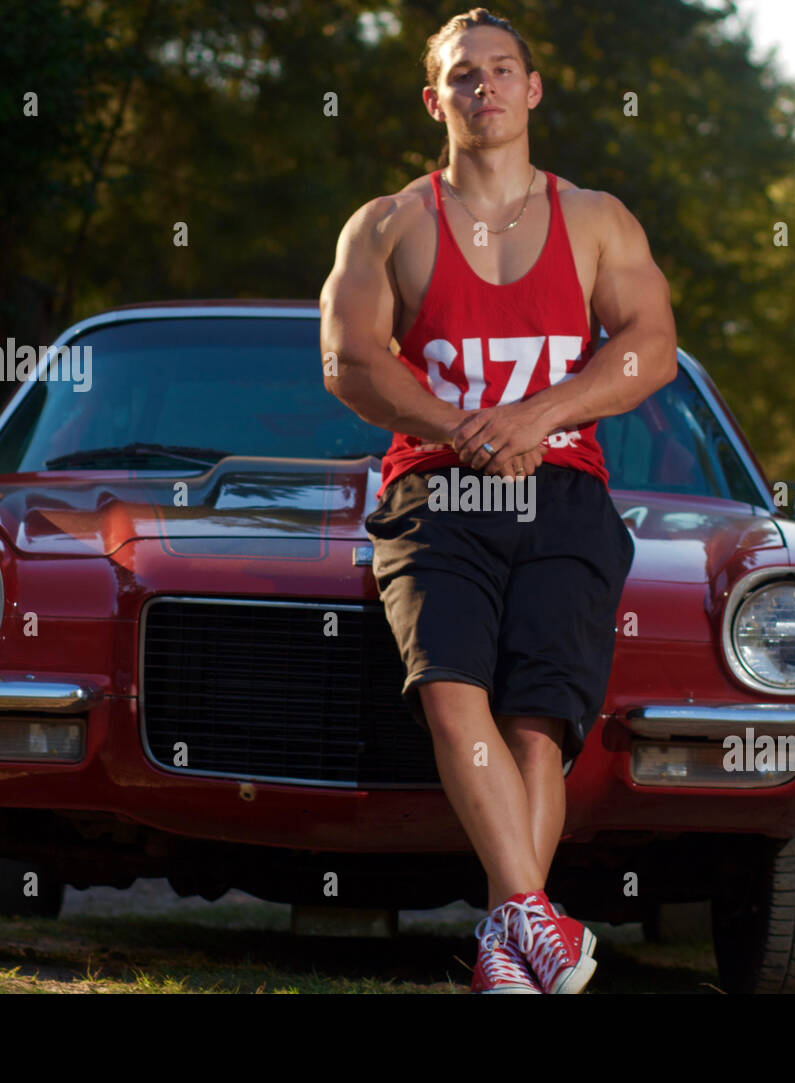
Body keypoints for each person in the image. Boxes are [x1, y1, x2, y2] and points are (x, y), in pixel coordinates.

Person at [319, 7, 676, 993]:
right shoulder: (387, 222)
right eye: (463, 76)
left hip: (564, 494)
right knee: (450, 694)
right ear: (435, 100)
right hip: (433, 493)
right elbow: (347, 360)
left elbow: (649, 345)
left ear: (533, 88)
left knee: (537, 726)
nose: (484, 89)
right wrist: (454, 424)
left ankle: (503, 940)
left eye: (501, 70)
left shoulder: (598, 218)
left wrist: (539, 414)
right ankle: (531, 920)